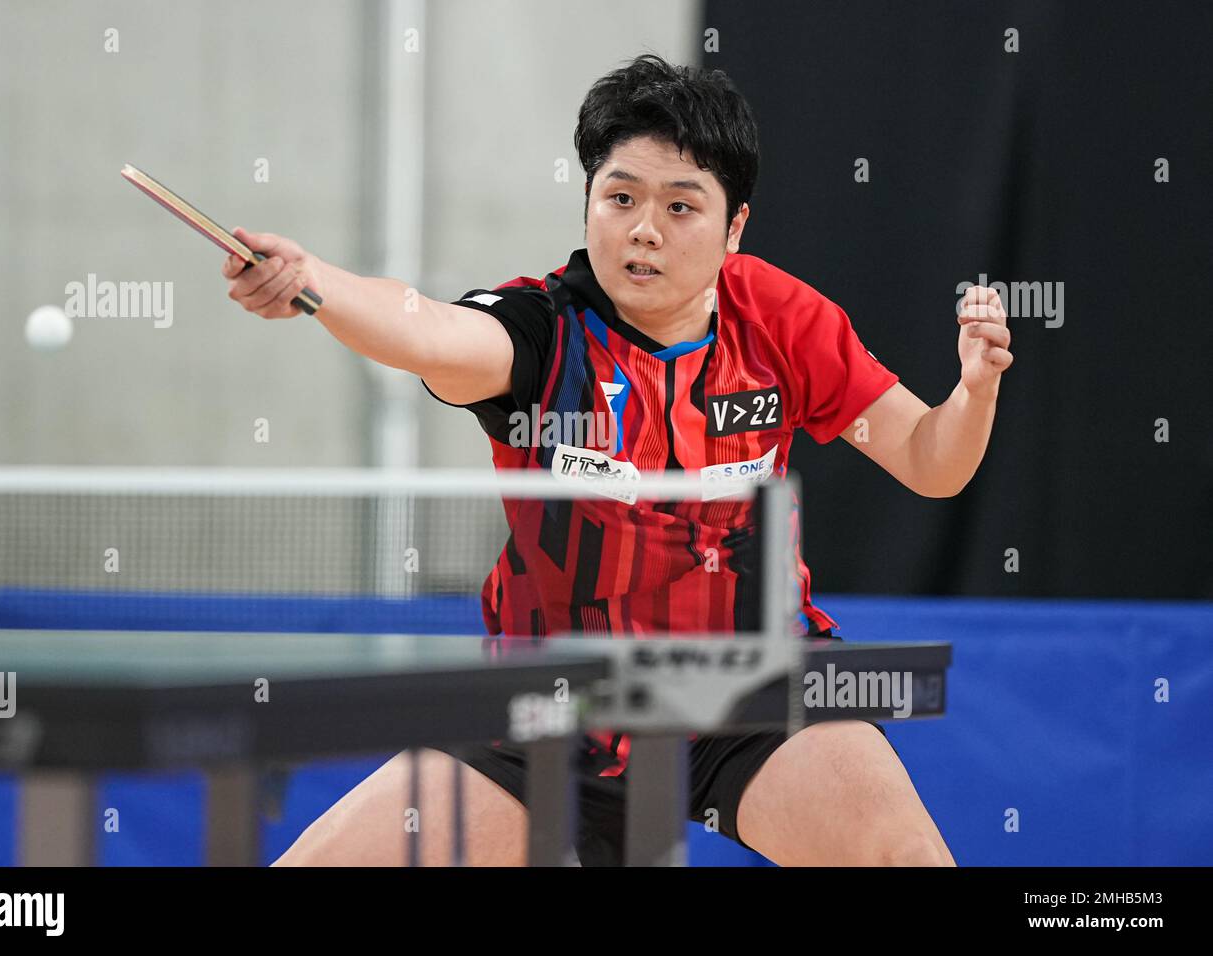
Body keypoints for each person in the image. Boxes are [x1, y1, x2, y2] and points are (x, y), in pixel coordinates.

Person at [227, 54, 1011, 866]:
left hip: (751, 691)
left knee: (906, 861)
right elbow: (423, 327)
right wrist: (315, 283)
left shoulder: (780, 320)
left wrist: (975, 393)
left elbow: (929, 462)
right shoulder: (541, 329)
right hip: (551, 708)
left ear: (734, 227)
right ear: (590, 203)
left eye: (681, 206)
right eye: (621, 197)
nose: (644, 228)